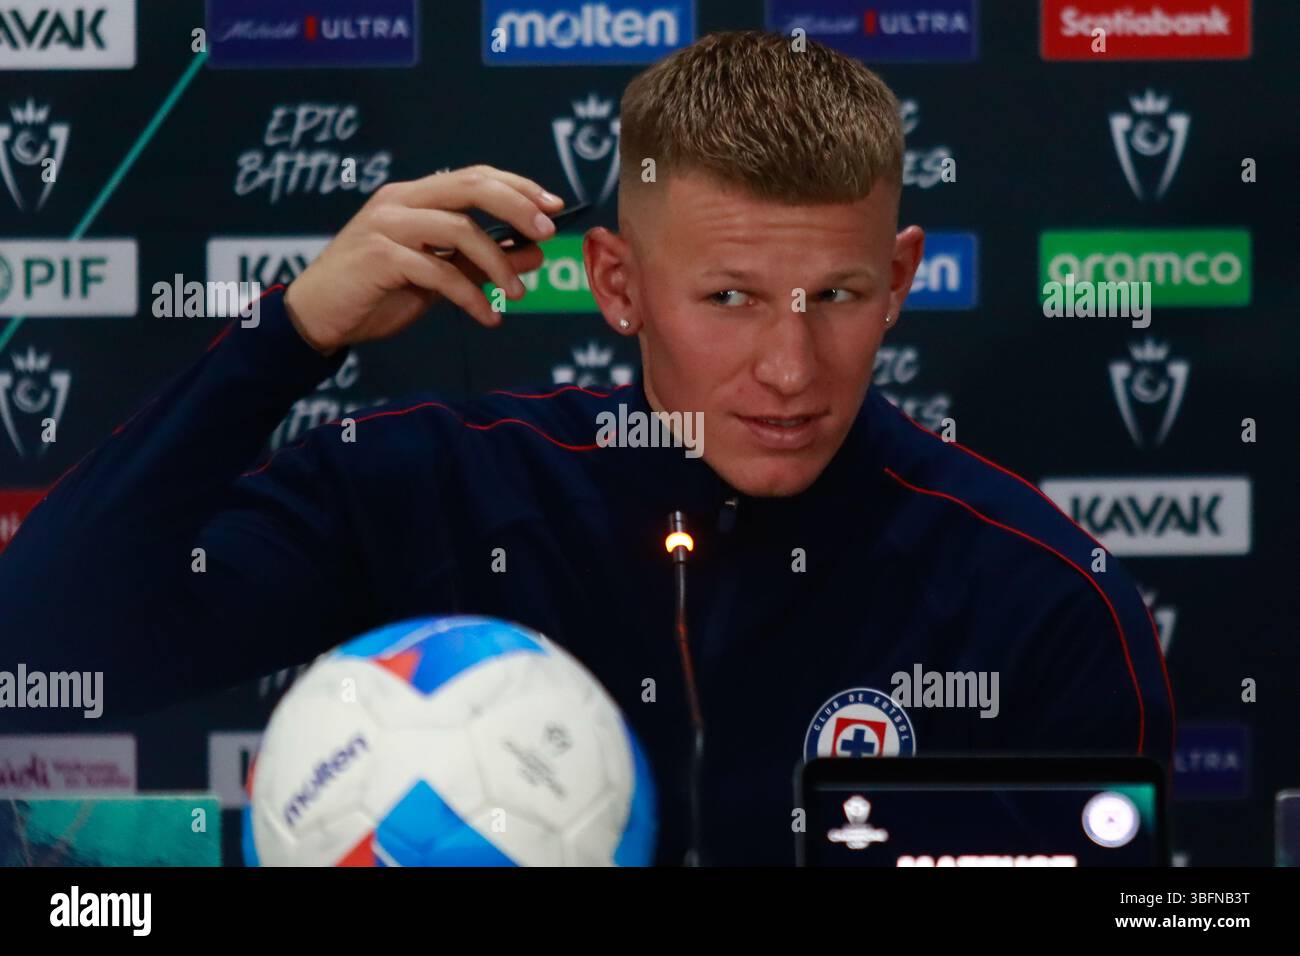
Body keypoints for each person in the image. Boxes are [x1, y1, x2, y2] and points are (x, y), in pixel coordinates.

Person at [0, 31, 1173, 865]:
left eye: (839, 293)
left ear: (903, 278)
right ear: (617, 282)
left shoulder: (1040, 595)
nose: (789, 366)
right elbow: (46, 641)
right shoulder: (434, 486)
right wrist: (289, 333)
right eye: (727, 296)